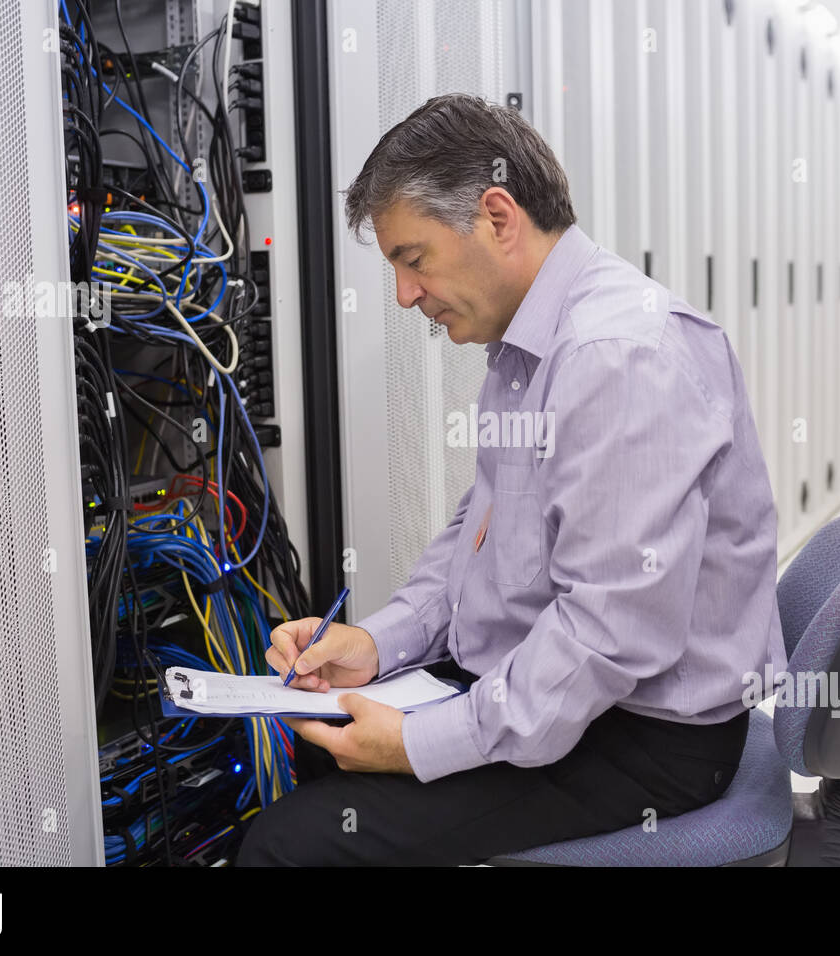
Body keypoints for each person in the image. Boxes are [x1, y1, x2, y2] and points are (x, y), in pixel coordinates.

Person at [236, 92, 787, 866]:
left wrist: (419, 742)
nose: (403, 295)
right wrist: (375, 643)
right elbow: (480, 532)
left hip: (648, 736)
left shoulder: (614, 356)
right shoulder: (526, 349)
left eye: (412, 259)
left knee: (293, 845)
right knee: (324, 742)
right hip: (580, 690)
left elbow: (610, 632)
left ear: (497, 216)